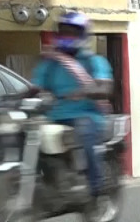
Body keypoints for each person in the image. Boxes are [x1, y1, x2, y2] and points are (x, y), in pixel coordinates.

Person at [31, 11, 114, 205]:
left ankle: (96, 189)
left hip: (87, 115)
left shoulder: (94, 61)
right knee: (24, 132)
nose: (66, 36)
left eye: (72, 32)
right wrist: (11, 98)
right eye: (63, 32)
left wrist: (86, 92)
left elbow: (105, 87)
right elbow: (35, 88)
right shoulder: (50, 63)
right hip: (55, 116)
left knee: (84, 132)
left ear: (82, 35)